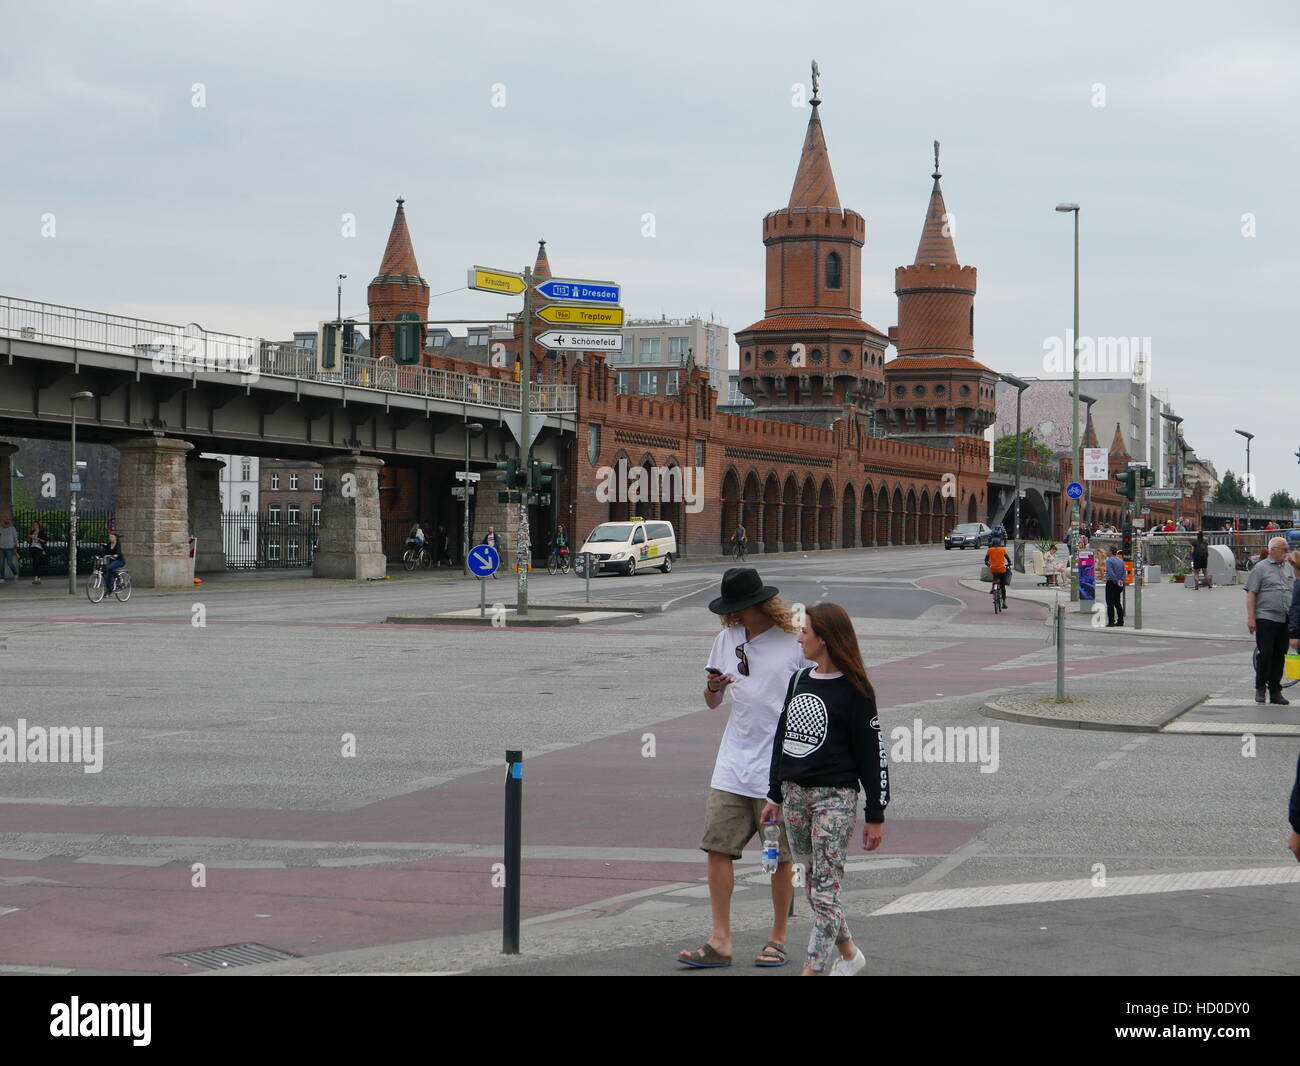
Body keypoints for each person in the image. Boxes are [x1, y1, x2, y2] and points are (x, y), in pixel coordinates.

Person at [677, 567, 813, 969]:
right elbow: (711, 702)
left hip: (779, 766)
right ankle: (720, 940)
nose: (732, 616)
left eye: (738, 609)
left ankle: (778, 936)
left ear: (758, 604)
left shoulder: (793, 643)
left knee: (779, 856)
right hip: (733, 762)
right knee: (717, 846)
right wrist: (714, 688)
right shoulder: (726, 639)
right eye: (728, 610)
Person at [761, 603, 888, 976]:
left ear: (825, 639)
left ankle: (812, 971)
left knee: (825, 891)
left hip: (835, 798)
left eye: (805, 632)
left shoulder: (856, 690)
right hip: (795, 795)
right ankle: (849, 953)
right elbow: (781, 739)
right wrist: (774, 794)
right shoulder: (800, 680)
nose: (799, 638)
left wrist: (875, 814)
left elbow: (873, 756)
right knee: (815, 886)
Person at [1245, 536, 1294, 705]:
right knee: (1265, 653)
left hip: (1285, 617)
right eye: (1284, 549)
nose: (1287, 553)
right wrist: (1251, 617)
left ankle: (1275, 691)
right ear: (1273, 550)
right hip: (1266, 617)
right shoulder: (1260, 568)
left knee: (1280, 655)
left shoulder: (1289, 568)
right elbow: (1251, 593)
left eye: (1287, 549)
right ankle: (1260, 688)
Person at [984, 537, 1010, 609]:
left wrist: (989, 565)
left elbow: (985, 560)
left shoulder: (989, 550)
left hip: (993, 569)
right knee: (1002, 586)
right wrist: (1009, 563)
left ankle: (993, 588)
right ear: (999, 543)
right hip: (1002, 570)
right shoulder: (1002, 550)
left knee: (995, 578)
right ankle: (1004, 602)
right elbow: (1008, 559)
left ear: (992, 543)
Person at [1103, 547, 1127, 626]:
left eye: (1107, 550)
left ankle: (1111, 622)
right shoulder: (1121, 561)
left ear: (1111, 552)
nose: (1106, 552)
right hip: (1120, 583)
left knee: (1110, 603)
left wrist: (1115, 581)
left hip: (1111, 583)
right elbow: (1124, 572)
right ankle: (1120, 621)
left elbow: (1110, 572)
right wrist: (1121, 580)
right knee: (1117, 602)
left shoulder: (1109, 560)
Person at [28, 519, 47, 585]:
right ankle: (38, 578)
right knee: (34, 563)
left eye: (36, 525)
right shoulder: (32, 531)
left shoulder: (41, 532)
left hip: (39, 548)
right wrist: (30, 537)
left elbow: (45, 541)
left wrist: (38, 539)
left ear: (39, 525)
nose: (35, 526)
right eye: (34, 525)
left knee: (37, 562)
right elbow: (30, 539)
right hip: (33, 548)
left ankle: (36, 577)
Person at [0, 515, 19, 583]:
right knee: (1, 564)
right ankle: (2, 578)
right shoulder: (0, 528)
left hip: (10, 548)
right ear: (3, 520)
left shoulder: (12, 528)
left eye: (8, 519)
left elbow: (15, 538)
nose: (6, 520)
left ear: (9, 521)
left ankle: (15, 574)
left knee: (9, 563)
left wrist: (16, 547)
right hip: (1, 548)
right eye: (5, 519)